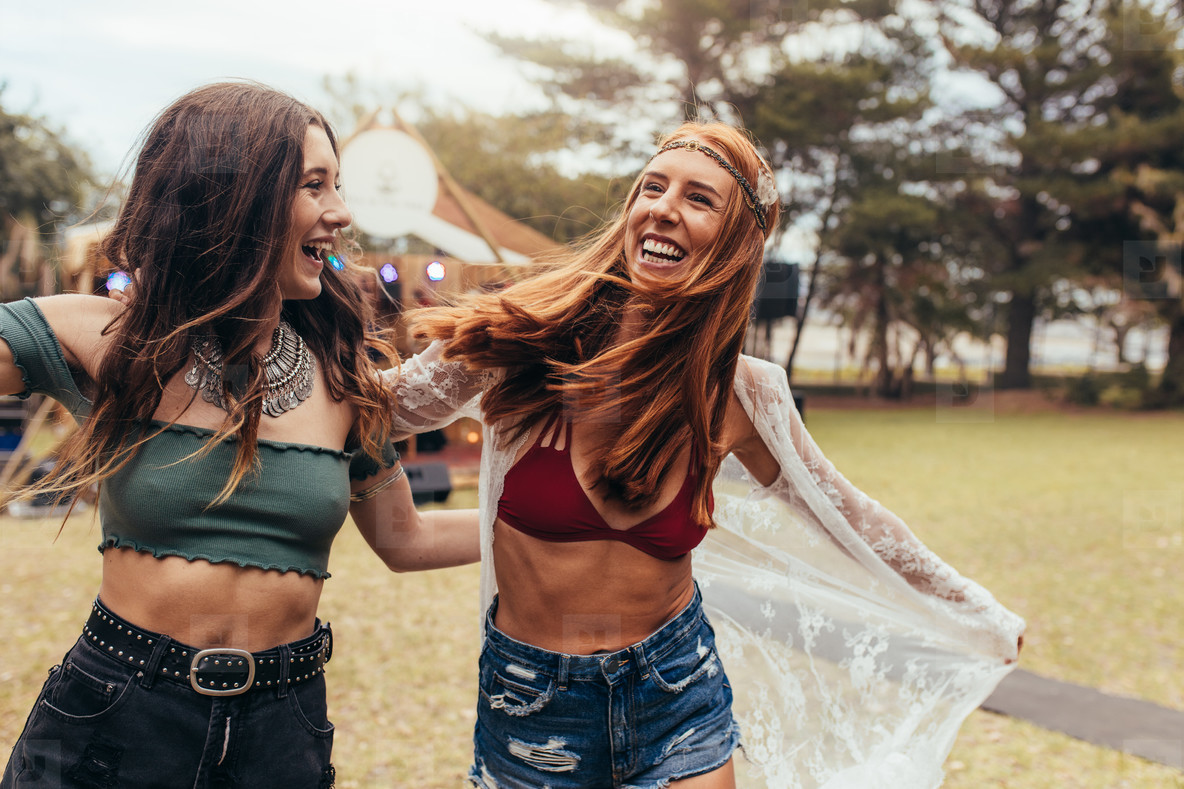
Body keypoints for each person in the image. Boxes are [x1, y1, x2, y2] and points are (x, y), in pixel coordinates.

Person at [382, 123, 1025, 788]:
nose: (662, 207)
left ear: (734, 245)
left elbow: (850, 516)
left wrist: (975, 607)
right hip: (533, 695)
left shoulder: (743, 395)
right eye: (652, 188)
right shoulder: (526, 335)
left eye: (698, 198)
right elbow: (378, 412)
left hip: (675, 686)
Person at [0, 81, 478, 788]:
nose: (341, 212)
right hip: (118, 718)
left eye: (337, 185)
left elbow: (406, 540)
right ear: (235, 197)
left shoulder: (342, 379)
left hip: (282, 730)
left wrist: (562, 520)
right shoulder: (104, 338)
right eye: (315, 185)